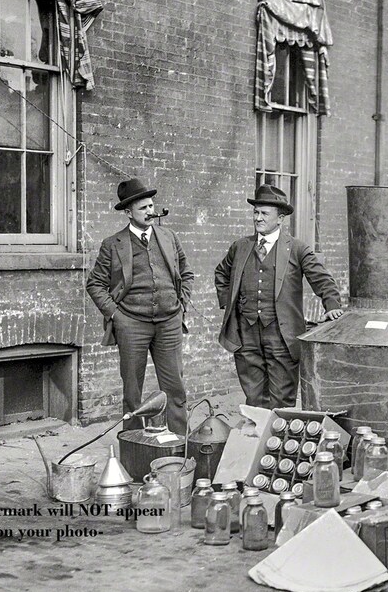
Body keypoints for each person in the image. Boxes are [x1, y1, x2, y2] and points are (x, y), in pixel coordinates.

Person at [215, 184, 343, 408]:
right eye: (256, 212)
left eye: (264, 213)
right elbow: (221, 273)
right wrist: (230, 305)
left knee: (282, 398)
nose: (258, 218)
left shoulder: (297, 249)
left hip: (282, 334)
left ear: (280, 218)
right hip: (246, 333)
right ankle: (257, 437)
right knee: (254, 396)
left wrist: (331, 304)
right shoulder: (240, 247)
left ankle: (278, 441)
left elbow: (322, 279)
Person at [86, 178, 193, 435]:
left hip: (168, 324)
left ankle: (180, 445)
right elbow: (95, 284)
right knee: (133, 394)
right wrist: (116, 316)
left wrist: (181, 305)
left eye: (151, 206)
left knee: (175, 389)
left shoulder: (168, 237)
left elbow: (186, 273)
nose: (150, 212)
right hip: (132, 325)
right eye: (143, 208)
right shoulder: (113, 244)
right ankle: (134, 449)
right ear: (128, 212)